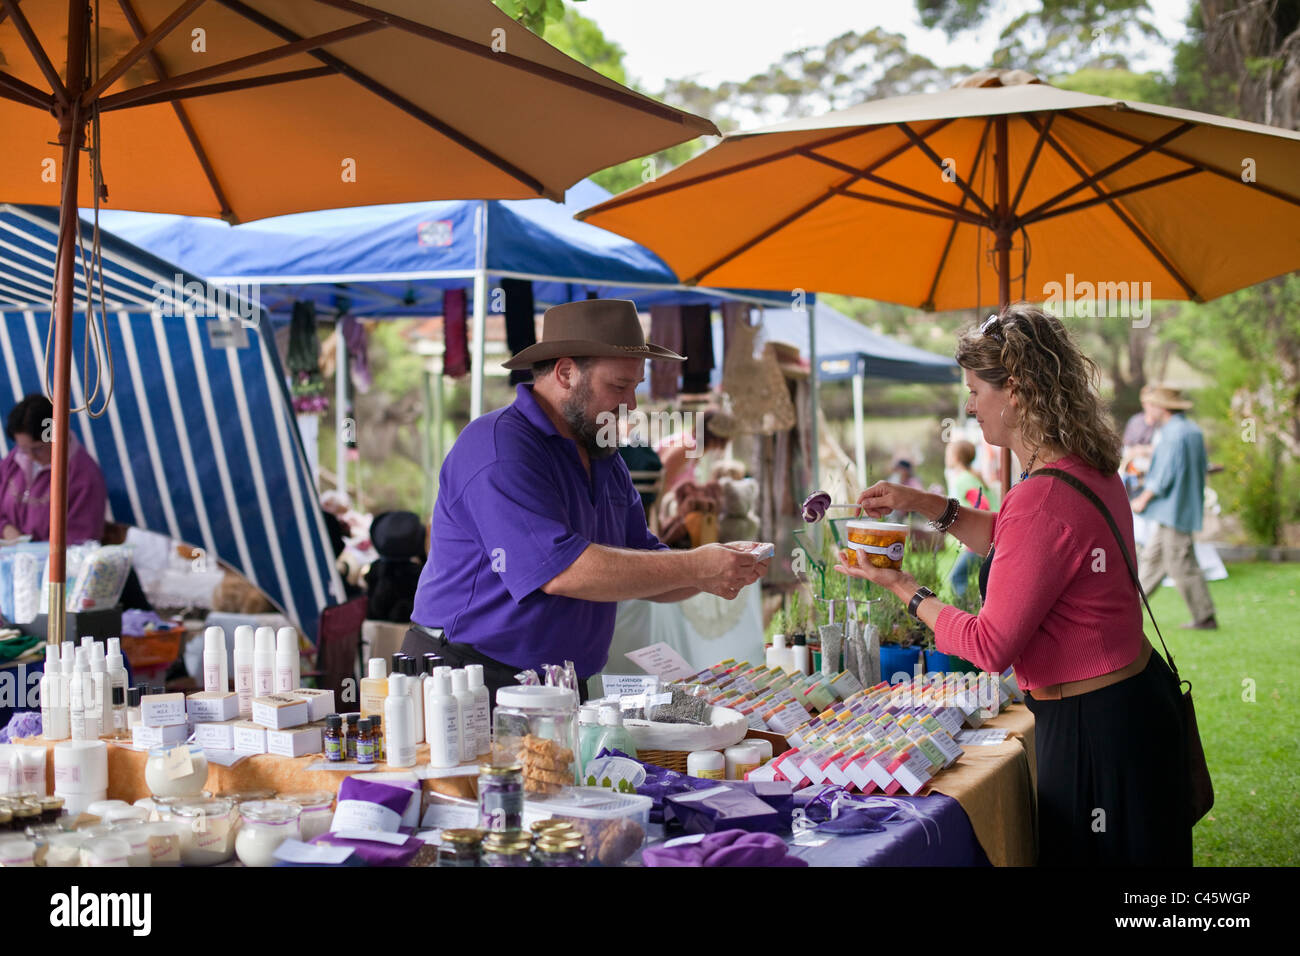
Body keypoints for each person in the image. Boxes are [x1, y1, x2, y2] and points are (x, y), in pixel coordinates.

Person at [835, 306, 1192, 867]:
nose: (970, 405)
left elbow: (989, 644)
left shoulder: (1042, 497)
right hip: (1129, 705)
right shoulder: (1081, 466)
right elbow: (1012, 538)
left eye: (976, 390)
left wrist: (902, 585)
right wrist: (922, 503)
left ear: (1018, 391)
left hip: (1093, 730)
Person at [402, 299, 770, 702]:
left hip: (557, 687)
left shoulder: (603, 455)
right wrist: (696, 565)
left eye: (635, 386)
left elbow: (643, 563)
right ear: (565, 373)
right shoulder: (499, 446)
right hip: (466, 680)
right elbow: (561, 571)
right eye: (618, 386)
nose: (631, 404)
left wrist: (712, 572)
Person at [1131, 385, 1217, 630]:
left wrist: (1143, 498)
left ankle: (1204, 616)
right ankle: (1129, 610)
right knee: (1154, 559)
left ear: (1162, 408)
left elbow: (1163, 475)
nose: (1146, 409)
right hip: (1182, 508)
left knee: (1181, 564)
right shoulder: (1192, 430)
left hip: (1173, 511)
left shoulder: (1172, 433)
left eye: (1149, 405)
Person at [0, 393, 107, 545]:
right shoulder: (13, 461)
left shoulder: (84, 476)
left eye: (37, 449)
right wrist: (5, 528)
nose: (30, 457)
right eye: (23, 449)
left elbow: (81, 541)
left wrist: (34, 553)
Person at [943, 439, 993, 600]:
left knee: (956, 577)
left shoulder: (963, 479)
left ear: (956, 457)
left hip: (981, 539)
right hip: (989, 537)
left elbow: (982, 505)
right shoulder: (972, 475)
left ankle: (967, 611)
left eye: (949, 453)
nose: (947, 457)